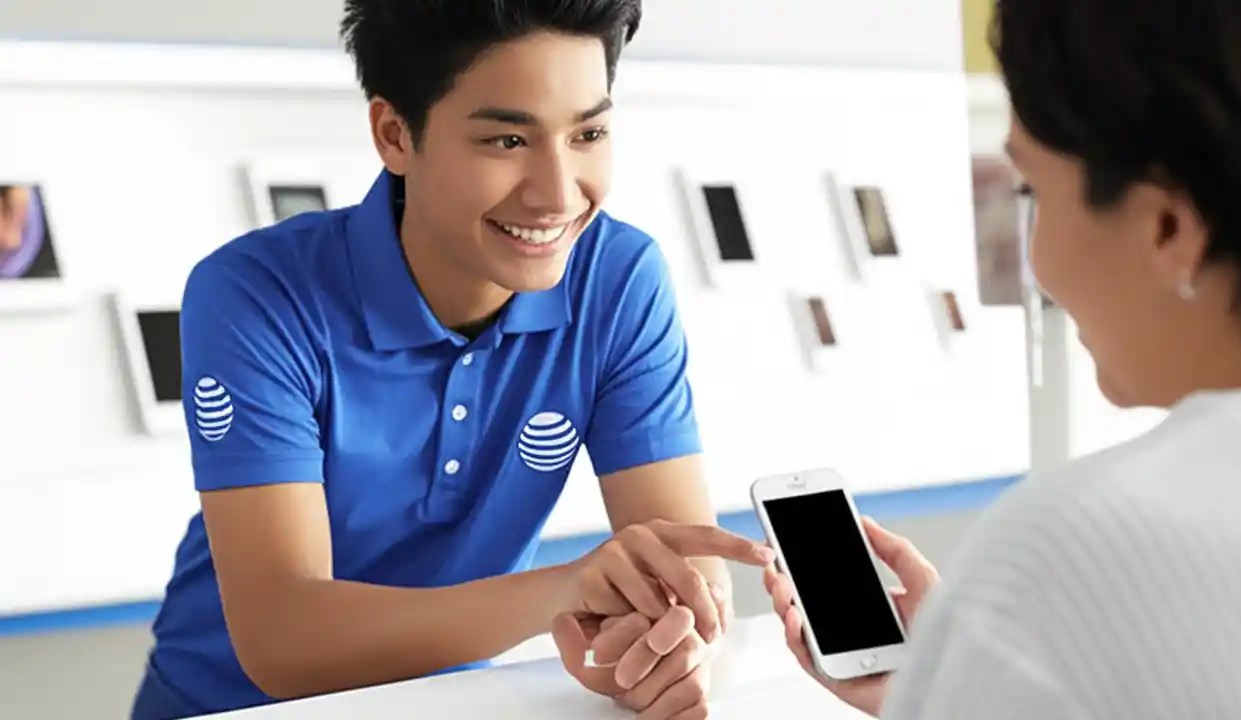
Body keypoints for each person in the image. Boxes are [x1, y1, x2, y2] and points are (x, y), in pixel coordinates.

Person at [129, 2, 775, 718]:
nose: (558, 194)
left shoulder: (618, 278)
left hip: (456, 702)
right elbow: (283, 640)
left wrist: (668, 642)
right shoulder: (257, 293)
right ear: (394, 134)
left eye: (588, 134)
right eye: (507, 140)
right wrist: (566, 591)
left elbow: (682, 566)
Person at [762, 0, 1241, 717]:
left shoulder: (1067, 556)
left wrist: (982, 657)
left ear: (1168, 227)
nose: (1038, 264)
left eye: (1033, 191)